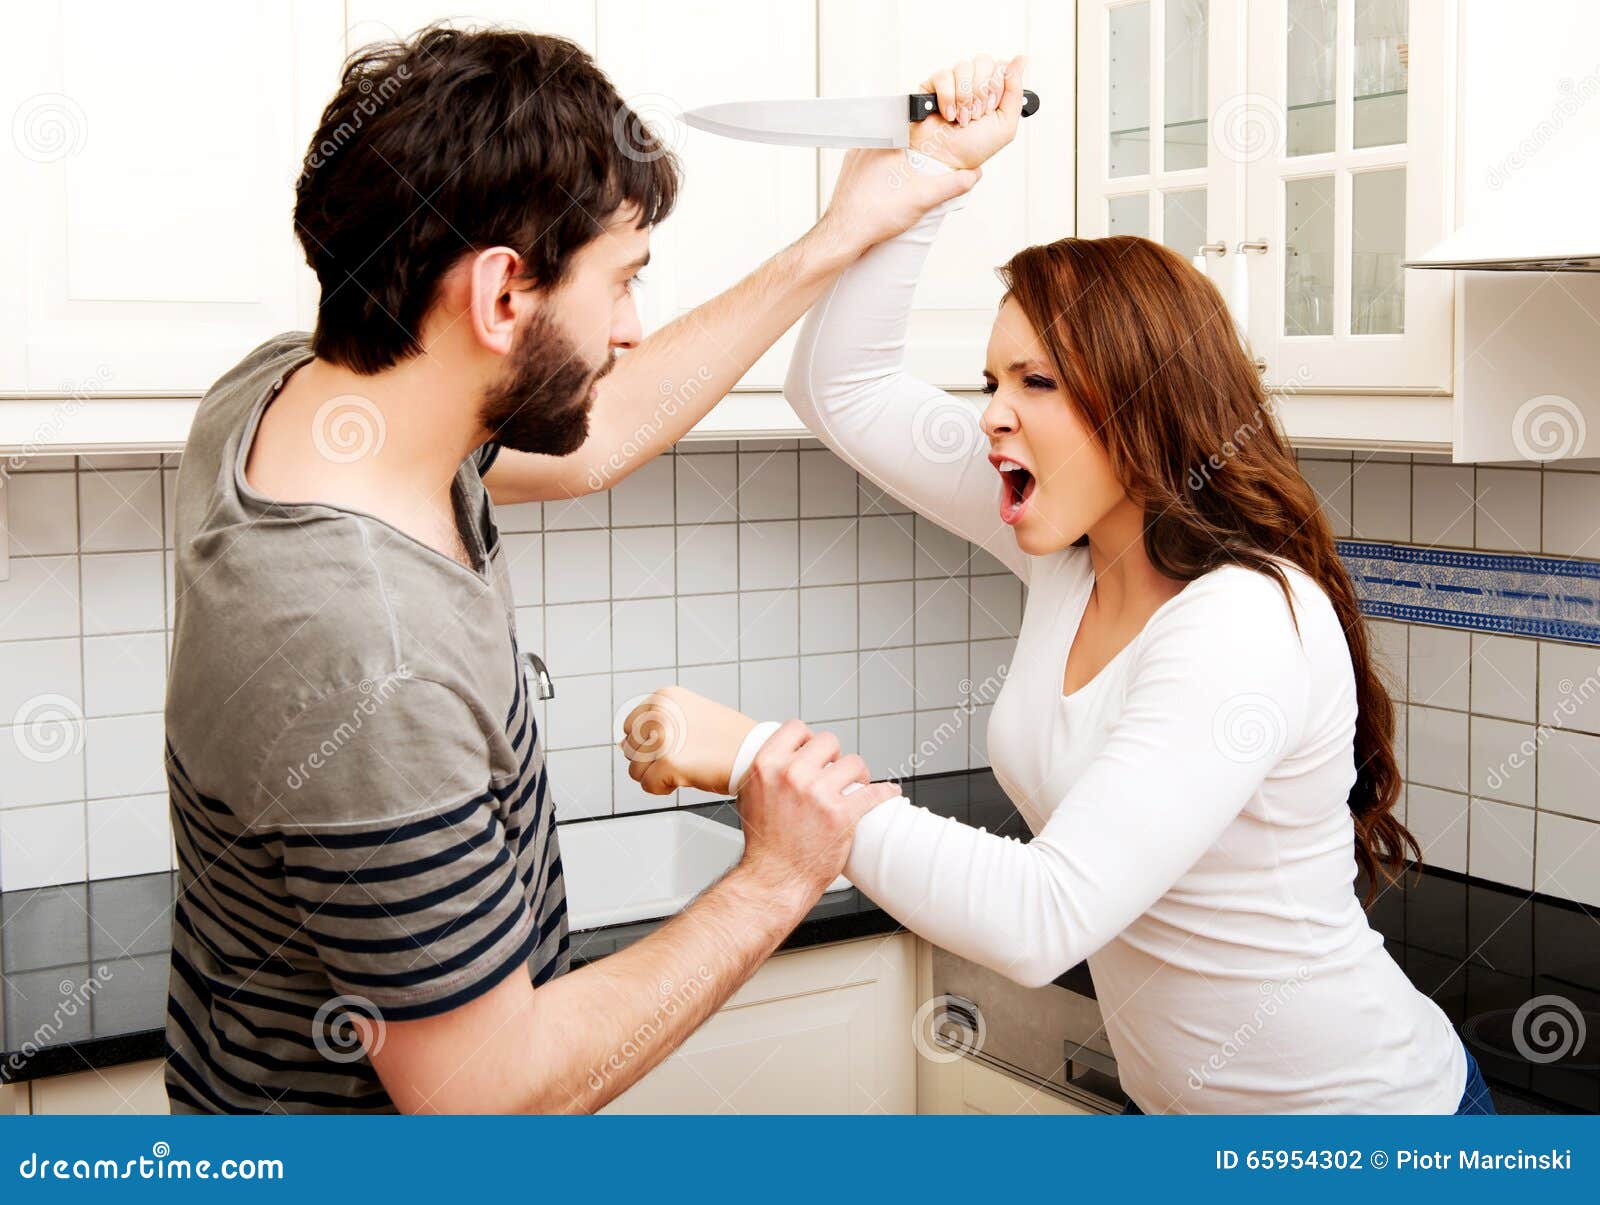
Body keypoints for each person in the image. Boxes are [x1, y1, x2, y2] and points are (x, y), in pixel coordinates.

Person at [623, 57, 1497, 1115]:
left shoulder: (1242, 620)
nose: (992, 412)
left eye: (1036, 381)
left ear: (1144, 409)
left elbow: (1040, 918)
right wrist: (929, 174)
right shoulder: (1068, 544)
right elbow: (837, 386)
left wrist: (758, 755)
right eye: (991, 380)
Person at [161, 25, 990, 1114]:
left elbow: (594, 437)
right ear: (503, 295)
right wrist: (778, 875)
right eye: (624, 282)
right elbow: (487, 1096)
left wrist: (842, 234)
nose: (633, 330)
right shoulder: (369, 659)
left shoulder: (293, 396)